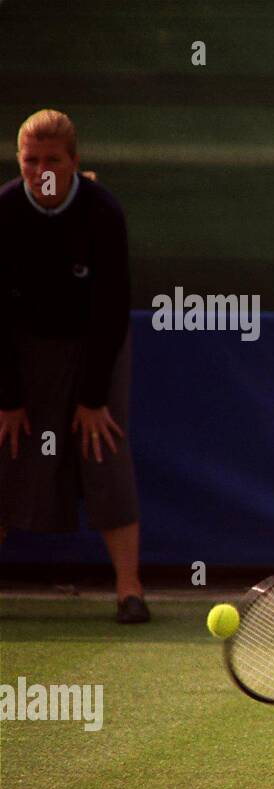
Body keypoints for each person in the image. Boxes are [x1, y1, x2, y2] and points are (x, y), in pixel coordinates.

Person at [0, 109, 149, 624]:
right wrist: (10, 400)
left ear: (74, 163)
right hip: (19, 348)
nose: (41, 170)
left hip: (93, 348)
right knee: (5, 452)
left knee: (104, 449)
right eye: (30, 160)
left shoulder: (102, 211)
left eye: (52, 160)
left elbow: (111, 310)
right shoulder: (3, 211)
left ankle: (129, 591)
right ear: (19, 162)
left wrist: (91, 399)